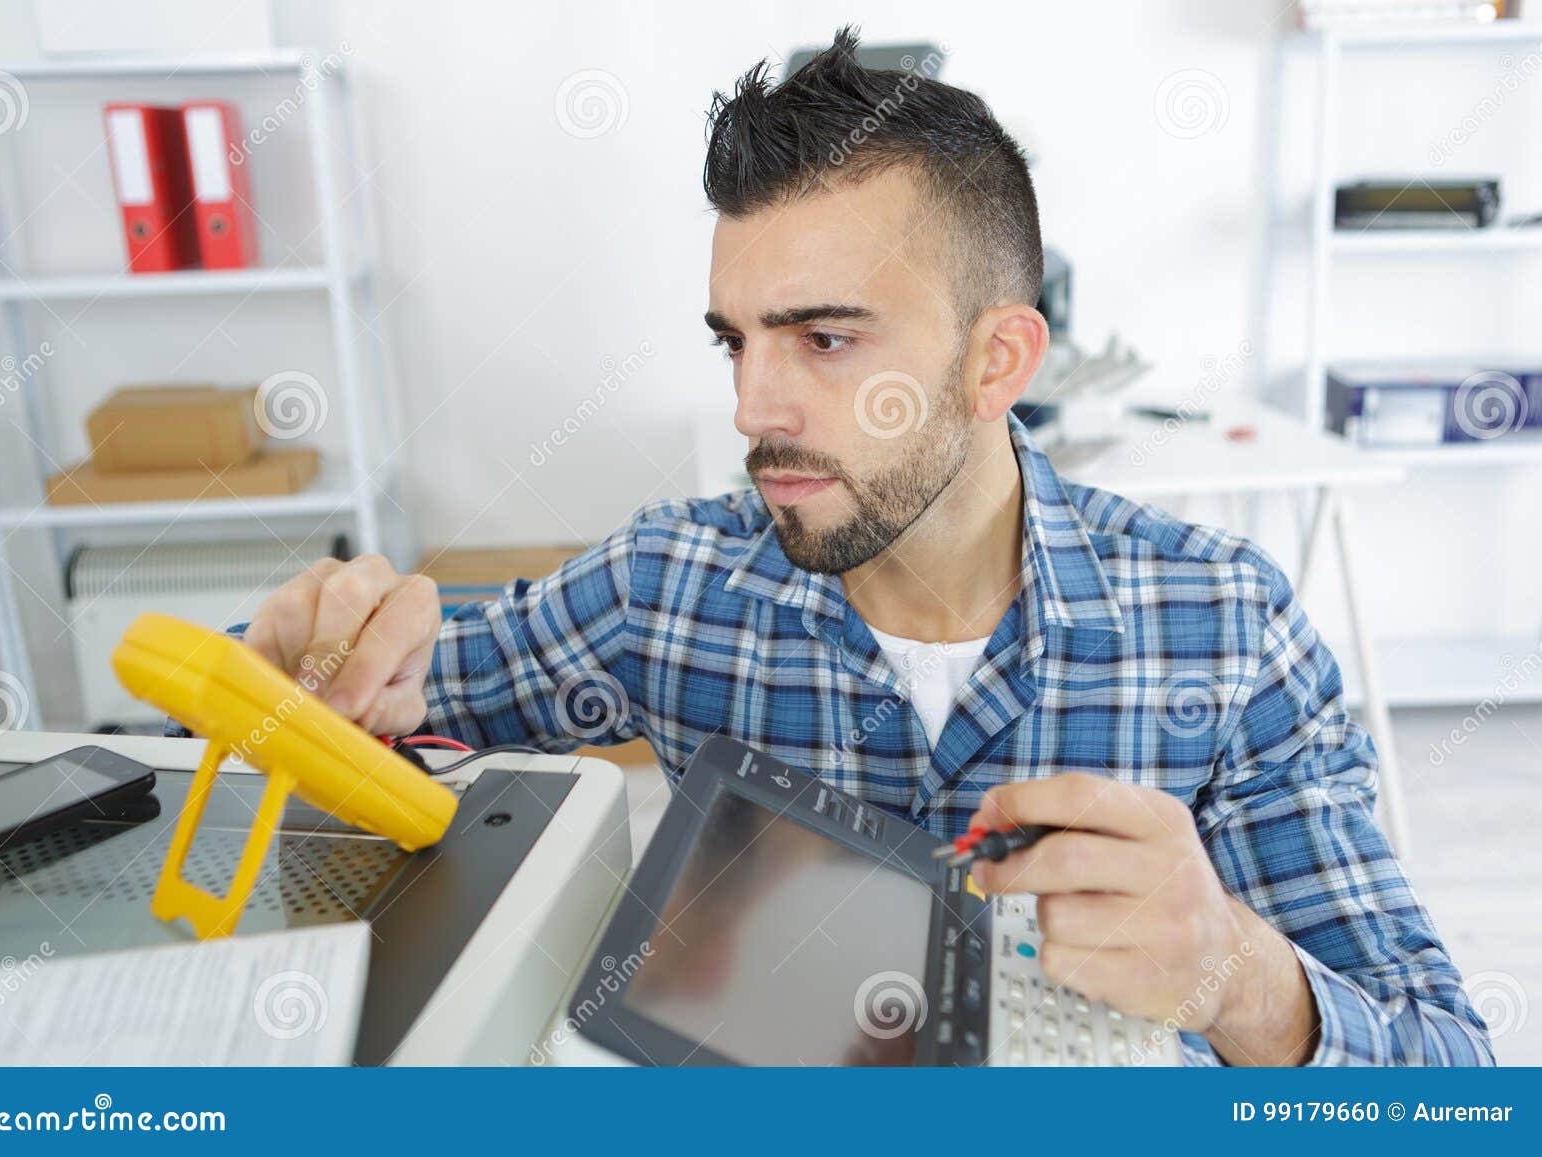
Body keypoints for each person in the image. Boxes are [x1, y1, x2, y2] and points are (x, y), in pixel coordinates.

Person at [212, 28, 1490, 1066]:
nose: (753, 407)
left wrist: (1239, 976)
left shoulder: (1223, 628)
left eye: (824, 339)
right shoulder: (669, 589)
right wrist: (304, 662)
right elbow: (308, 700)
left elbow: (1448, 1082)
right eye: (735, 340)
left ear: (996, 360)